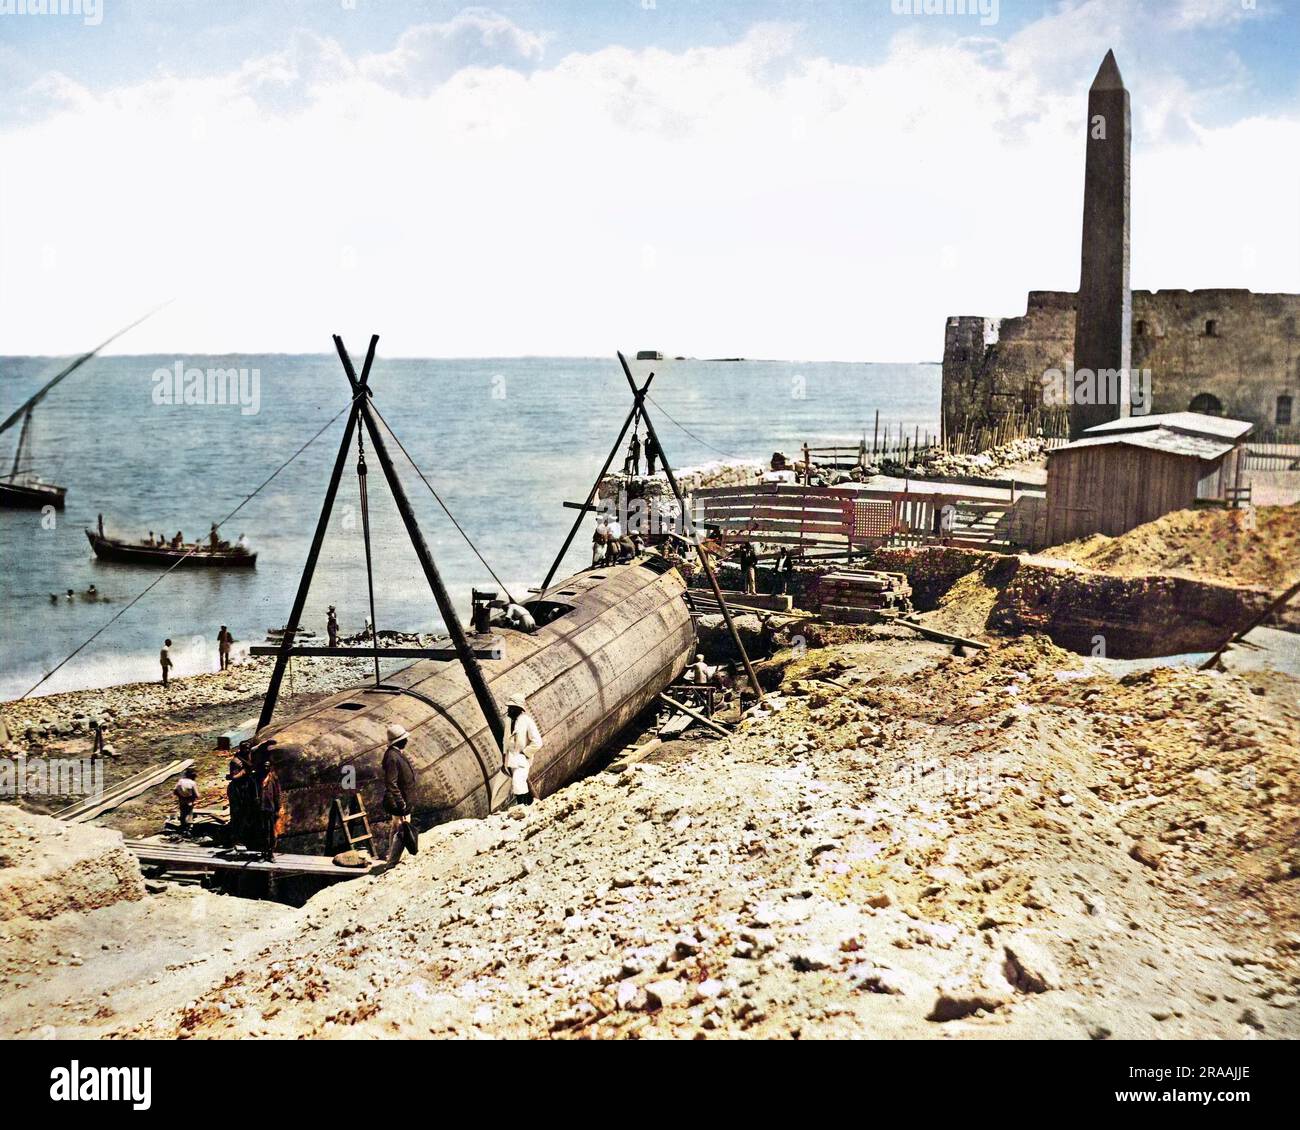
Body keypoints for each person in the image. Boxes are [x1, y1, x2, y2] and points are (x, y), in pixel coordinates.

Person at [381, 723, 418, 866]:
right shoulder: (392, 757)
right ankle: (392, 861)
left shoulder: (395, 754)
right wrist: (401, 802)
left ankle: (390, 855)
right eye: (404, 739)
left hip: (402, 798)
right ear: (399, 741)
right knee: (402, 830)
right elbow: (391, 783)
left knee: (396, 827)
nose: (407, 741)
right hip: (400, 800)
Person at [503, 692, 542, 807]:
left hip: (522, 759)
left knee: (518, 782)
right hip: (511, 759)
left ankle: (522, 806)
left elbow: (538, 742)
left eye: (511, 708)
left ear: (518, 709)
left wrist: (525, 753)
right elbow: (505, 741)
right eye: (509, 707)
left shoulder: (526, 721)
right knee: (518, 784)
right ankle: (523, 806)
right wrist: (504, 756)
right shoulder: (509, 721)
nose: (509, 710)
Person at [225, 743, 256, 850]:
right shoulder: (236, 762)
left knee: (248, 814)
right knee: (238, 815)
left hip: (246, 788)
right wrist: (245, 771)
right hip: (238, 790)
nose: (247, 750)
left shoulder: (249, 756)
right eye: (245, 749)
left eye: (248, 748)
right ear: (241, 749)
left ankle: (246, 836)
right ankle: (237, 838)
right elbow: (234, 776)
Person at [258, 752, 282, 862]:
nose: (266, 768)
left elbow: (277, 794)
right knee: (263, 832)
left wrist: (278, 807)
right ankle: (263, 854)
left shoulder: (273, 779)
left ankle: (270, 853)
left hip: (270, 808)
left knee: (272, 833)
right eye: (264, 766)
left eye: (268, 766)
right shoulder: (258, 779)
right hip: (261, 809)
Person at [173, 767, 200, 835]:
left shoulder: (180, 781)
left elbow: (175, 791)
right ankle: (188, 829)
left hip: (181, 800)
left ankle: (183, 827)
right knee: (189, 813)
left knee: (183, 813)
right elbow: (197, 795)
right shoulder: (192, 783)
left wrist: (180, 795)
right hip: (189, 800)